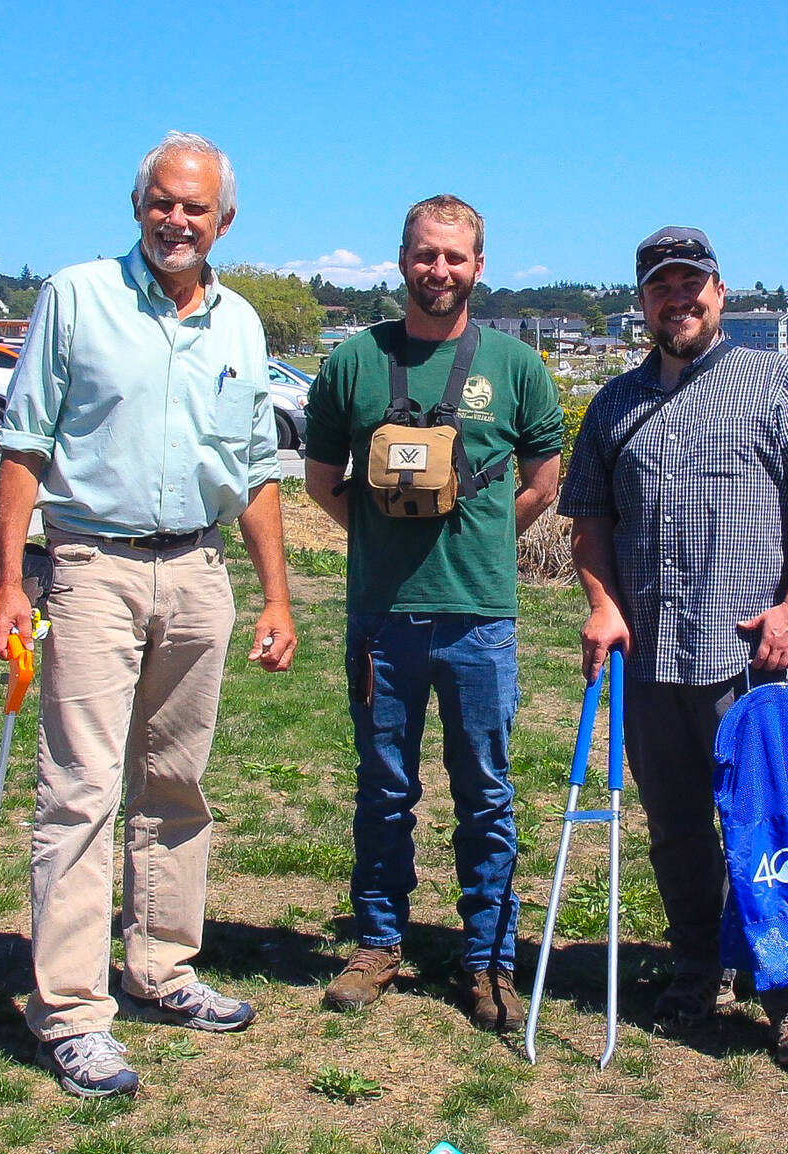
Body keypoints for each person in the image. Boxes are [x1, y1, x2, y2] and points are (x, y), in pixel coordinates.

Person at [0, 131, 297, 1098]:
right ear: (138, 207)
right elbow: (24, 445)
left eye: (195, 209)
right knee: (80, 791)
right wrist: (6, 582)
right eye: (162, 202)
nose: (176, 221)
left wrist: (277, 594)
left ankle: (161, 968)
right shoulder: (78, 297)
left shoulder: (241, 327)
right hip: (92, 569)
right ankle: (70, 1013)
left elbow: (251, 474)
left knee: (175, 783)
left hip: (198, 574)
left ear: (224, 223)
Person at [560, 227, 788, 1071]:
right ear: (642, 301)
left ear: (719, 293)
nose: (678, 301)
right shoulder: (615, 404)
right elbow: (591, 520)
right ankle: (696, 968)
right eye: (661, 288)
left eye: (693, 286)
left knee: (765, 826)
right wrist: (603, 606)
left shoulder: (775, 383)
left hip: (750, 656)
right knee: (676, 828)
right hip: (650, 659)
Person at [302, 196, 565, 1030]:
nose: (438, 271)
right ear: (402, 259)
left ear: (478, 267)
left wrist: (478, 545)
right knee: (384, 788)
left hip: (480, 620)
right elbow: (319, 483)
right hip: (383, 618)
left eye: (454, 257)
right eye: (424, 255)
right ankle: (378, 943)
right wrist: (384, 543)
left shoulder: (516, 368)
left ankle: (488, 954)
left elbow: (542, 484)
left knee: (485, 790)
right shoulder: (353, 363)